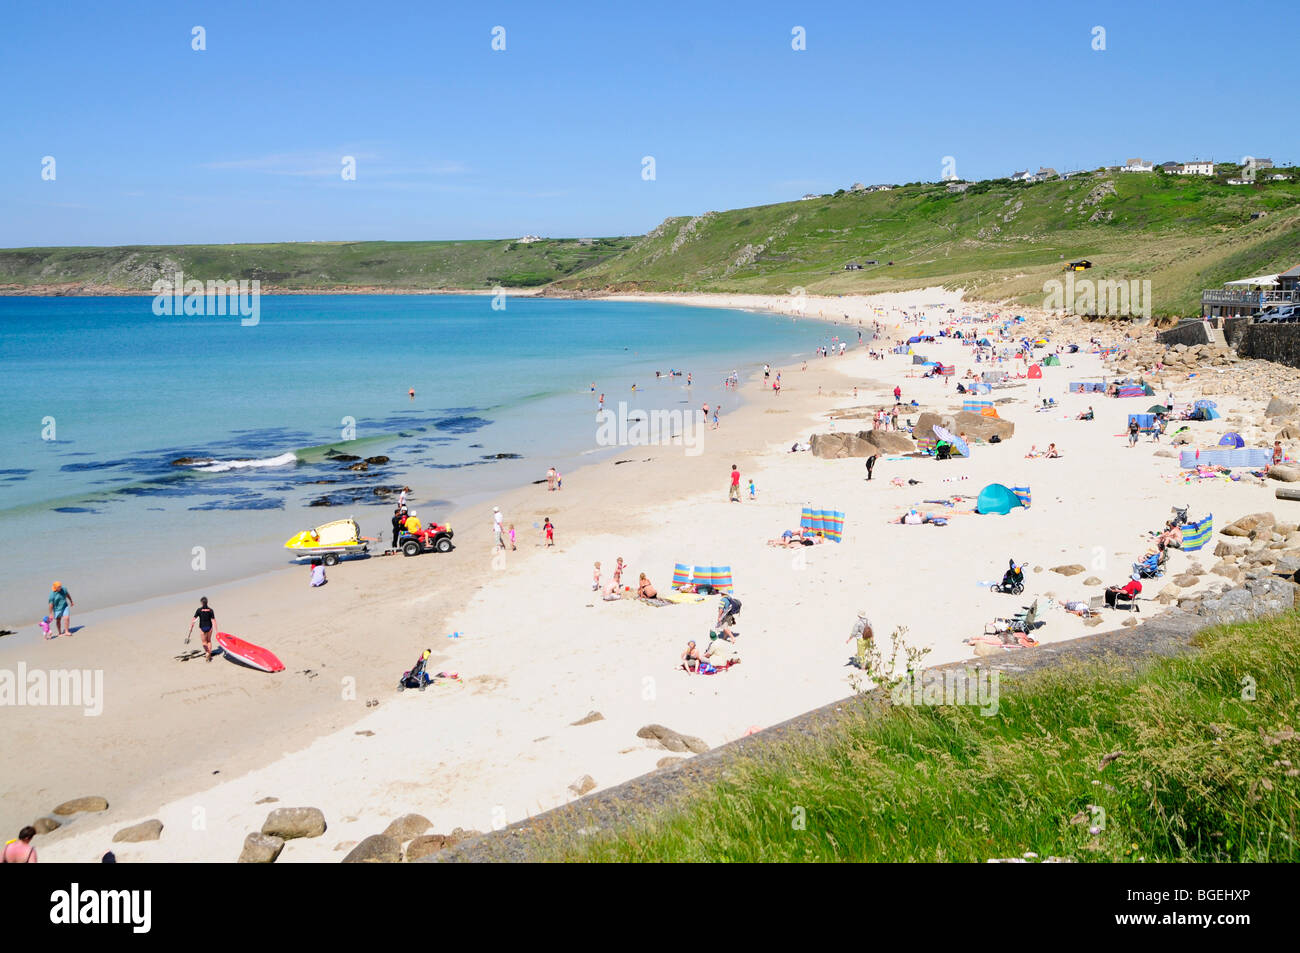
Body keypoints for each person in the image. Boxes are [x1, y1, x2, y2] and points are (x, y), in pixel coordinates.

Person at [189, 596, 216, 661]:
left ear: (201, 603)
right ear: (207, 602)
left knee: (204, 642)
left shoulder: (199, 610)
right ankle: (209, 653)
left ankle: (207, 652)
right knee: (209, 641)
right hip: (209, 627)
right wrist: (216, 630)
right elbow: (213, 620)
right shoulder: (211, 610)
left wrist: (191, 627)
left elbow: (194, 619)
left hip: (202, 627)